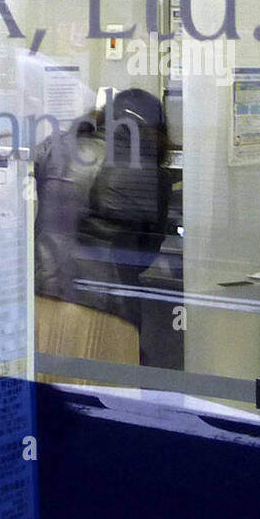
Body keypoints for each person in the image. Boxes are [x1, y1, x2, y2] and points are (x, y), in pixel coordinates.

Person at [32, 89, 171, 377]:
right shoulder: (148, 173)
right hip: (106, 311)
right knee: (105, 410)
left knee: (51, 406)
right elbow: (142, 257)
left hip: (45, 299)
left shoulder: (54, 148)